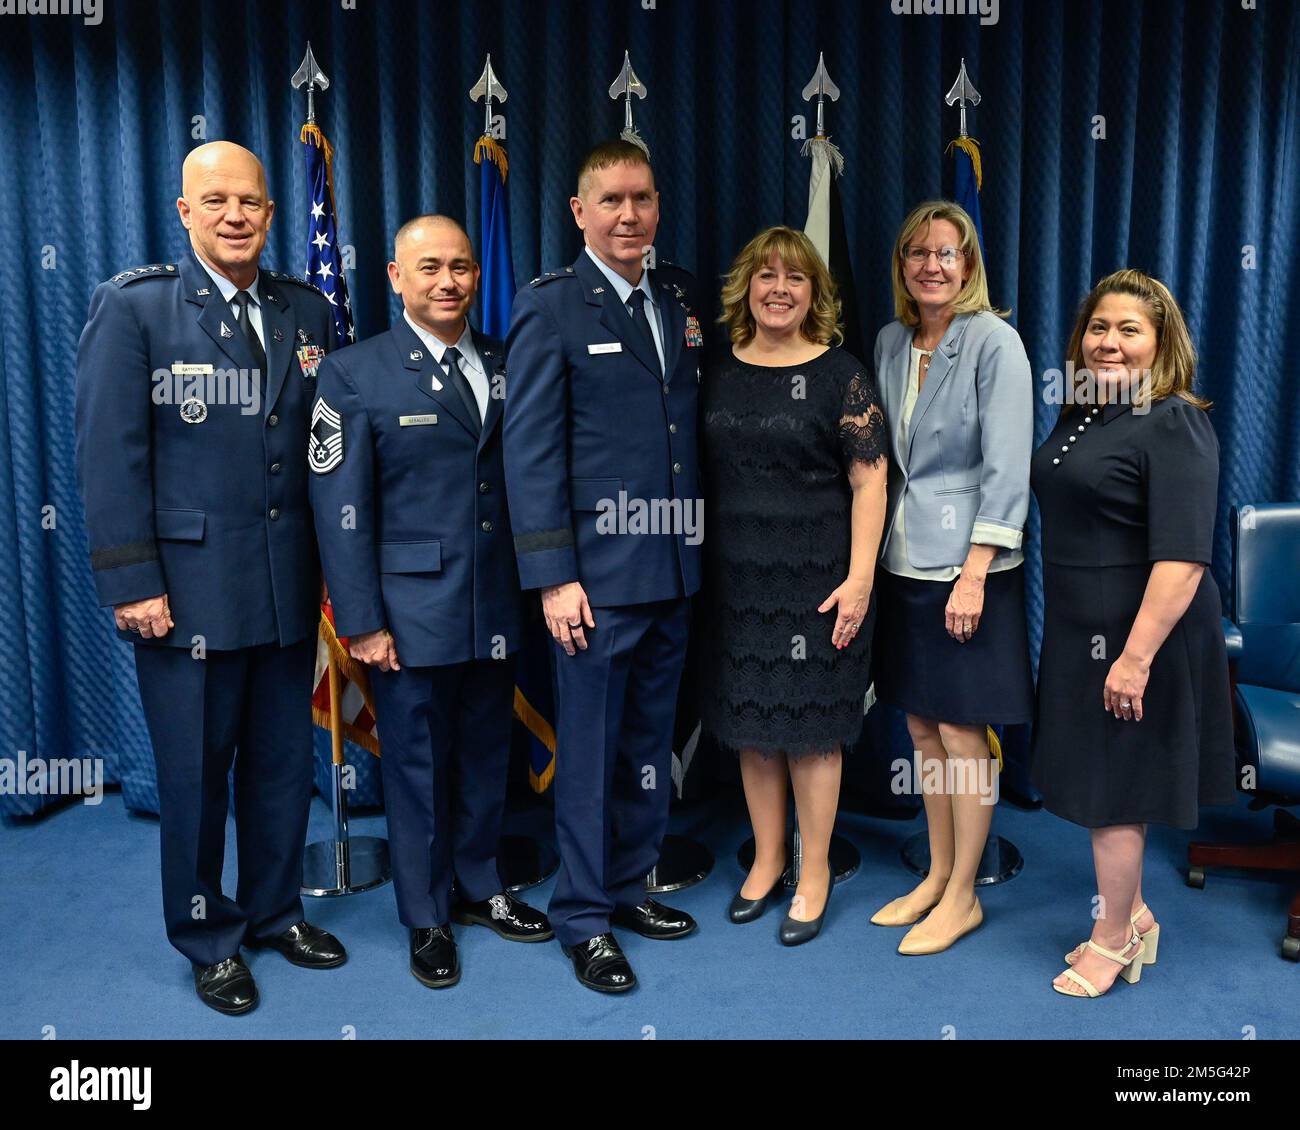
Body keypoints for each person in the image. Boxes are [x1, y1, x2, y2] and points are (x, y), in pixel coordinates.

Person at [73, 141, 345, 1015]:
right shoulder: (137, 309)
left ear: (271, 214)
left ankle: (274, 912)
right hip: (183, 591)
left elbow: (319, 452)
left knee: (278, 766)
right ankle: (207, 936)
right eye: (217, 200)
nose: (236, 216)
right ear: (185, 211)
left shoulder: (308, 311)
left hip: (283, 589)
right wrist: (131, 582)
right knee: (194, 778)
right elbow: (110, 459)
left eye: (252, 203)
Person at [310, 215, 552, 990]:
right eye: (430, 268)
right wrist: (363, 622)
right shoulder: (354, 372)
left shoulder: (508, 363)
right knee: (415, 769)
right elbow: (339, 510)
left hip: (494, 608)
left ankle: (479, 887)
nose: (448, 281)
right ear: (394, 277)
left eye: (461, 266)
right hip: (405, 615)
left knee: (487, 756)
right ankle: (426, 915)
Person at [503, 139, 704, 993]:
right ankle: (583, 917)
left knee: (647, 748)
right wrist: (553, 576)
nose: (630, 216)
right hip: (592, 579)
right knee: (586, 755)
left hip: (674, 571)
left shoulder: (680, 295)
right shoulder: (551, 307)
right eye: (611, 201)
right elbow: (530, 450)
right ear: (580, 213)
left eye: (643, 199)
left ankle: (628, 882)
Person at [1032, 269, 1235, 998]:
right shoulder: (1084, 409)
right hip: (1081, 627)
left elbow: (1182, 560)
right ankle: (1137, 914)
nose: (1108, 342)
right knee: (1099, 778)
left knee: (1115, 788)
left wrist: (1135, 659)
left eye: (1128, 330)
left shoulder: (1173, 419)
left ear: (1160, 343)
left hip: (1142, 634)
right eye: (1098, 327)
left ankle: (1112, 938)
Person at [701, 226, 888, 945]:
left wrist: (860, 580)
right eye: (767, 275)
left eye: (796, 278)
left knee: (812, 737)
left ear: (816, 293)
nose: (780, 288)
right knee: (753, 728)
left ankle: (813, 874)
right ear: (746, 286)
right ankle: (767, 859)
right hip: (737, 584)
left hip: (819, 586)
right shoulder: (716, 367)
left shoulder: (842, 372)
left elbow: (870, 481)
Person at [870, 200, 1035, 955]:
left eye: (947, 252)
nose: (931, 265)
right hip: (905, 561)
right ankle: (936, 876)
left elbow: (1008, 467)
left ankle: (965, 893)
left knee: (965, 735)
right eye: (917, 253)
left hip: (971, 569)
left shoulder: (994, 341)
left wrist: (974, 574)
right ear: (902, 265)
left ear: (968, 266)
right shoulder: (891, 341)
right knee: (922, 730)